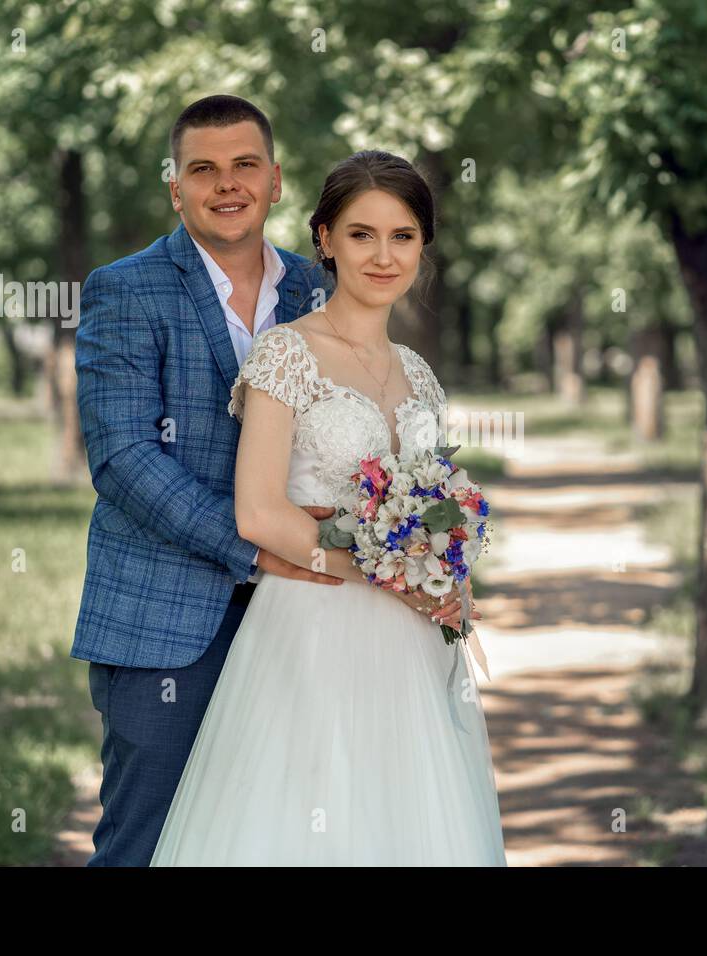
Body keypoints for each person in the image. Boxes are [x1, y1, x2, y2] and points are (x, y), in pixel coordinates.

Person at [71, 94, 472, 866]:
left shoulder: (318, 292)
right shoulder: (126, 289)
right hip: (169, 615)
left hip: (323, 629)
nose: (228, 184)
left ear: (276, 180)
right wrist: (265, 546)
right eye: (204, 169)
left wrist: (433, 557)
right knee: (151, 842)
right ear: (175, 186)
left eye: (245, 165)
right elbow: (123, 458)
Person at [149, 148, 506, 865]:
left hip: (412, 644)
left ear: (423, 247)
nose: (383, 256)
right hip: (311, 626)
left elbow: (435, 507)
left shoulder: (421, 376)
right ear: (325, 240)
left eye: (402, 236)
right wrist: (384, 572)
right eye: (361, 234)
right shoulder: (286, 354)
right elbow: (257, 512)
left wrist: (448, 578)